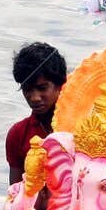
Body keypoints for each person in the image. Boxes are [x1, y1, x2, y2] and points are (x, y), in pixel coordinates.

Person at [6, 41, 66, 186]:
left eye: (42, 88)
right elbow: (15, 193)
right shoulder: (18, 134)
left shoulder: (83, 127)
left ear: (61, 85)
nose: (34, 98)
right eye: (27, 89)